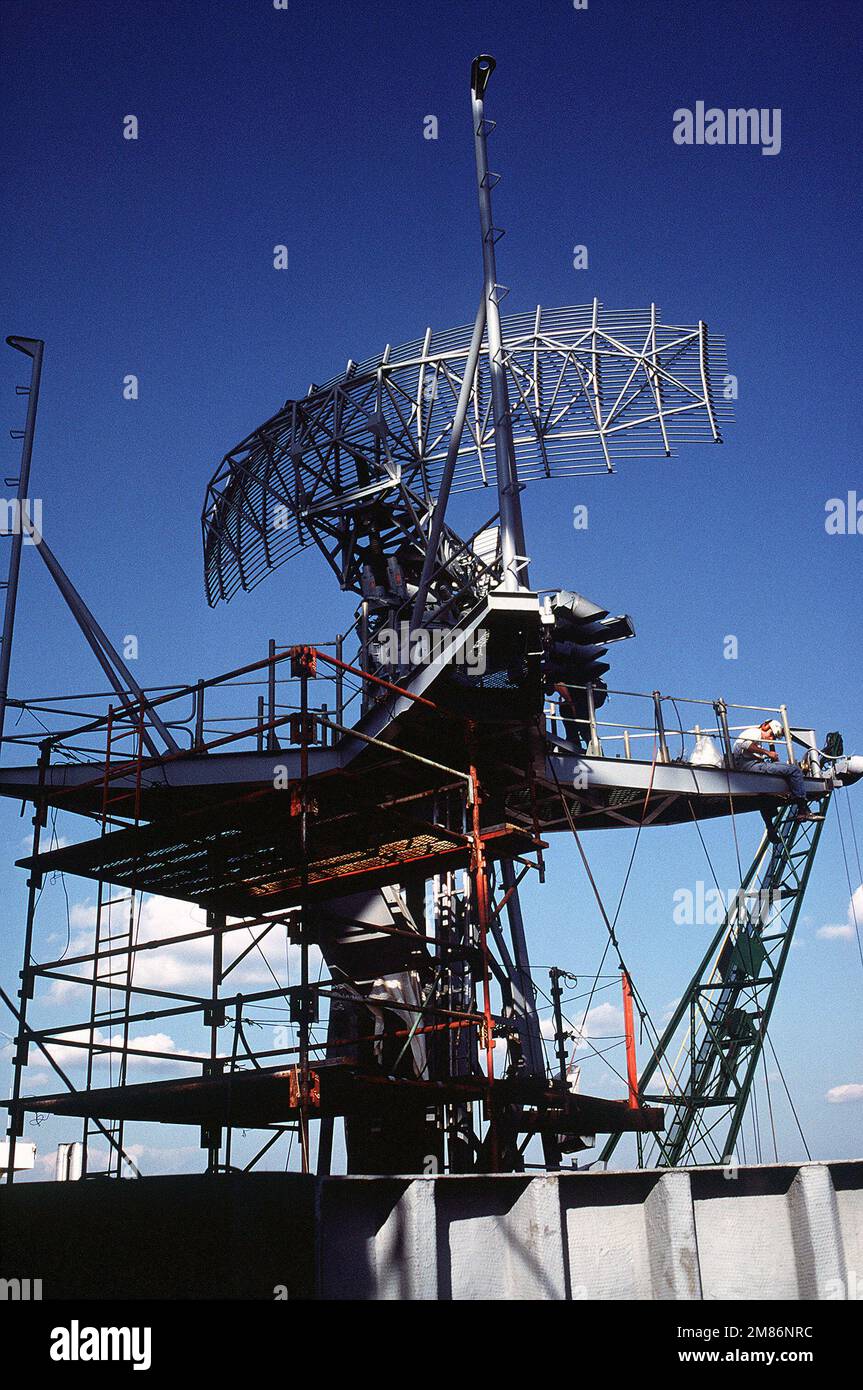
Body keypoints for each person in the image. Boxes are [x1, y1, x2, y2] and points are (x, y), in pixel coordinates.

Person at [732, 719, 823, 821]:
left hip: (748, 765)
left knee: (770, 788)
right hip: (750, 766)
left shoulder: (754, 736)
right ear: (766, 727)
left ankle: (771, 823)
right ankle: (803, 810)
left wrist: (771, 751)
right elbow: (746, 745)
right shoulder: (755, 732)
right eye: (772, 735)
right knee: (794, 770)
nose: (771, 738)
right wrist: (768, 753)